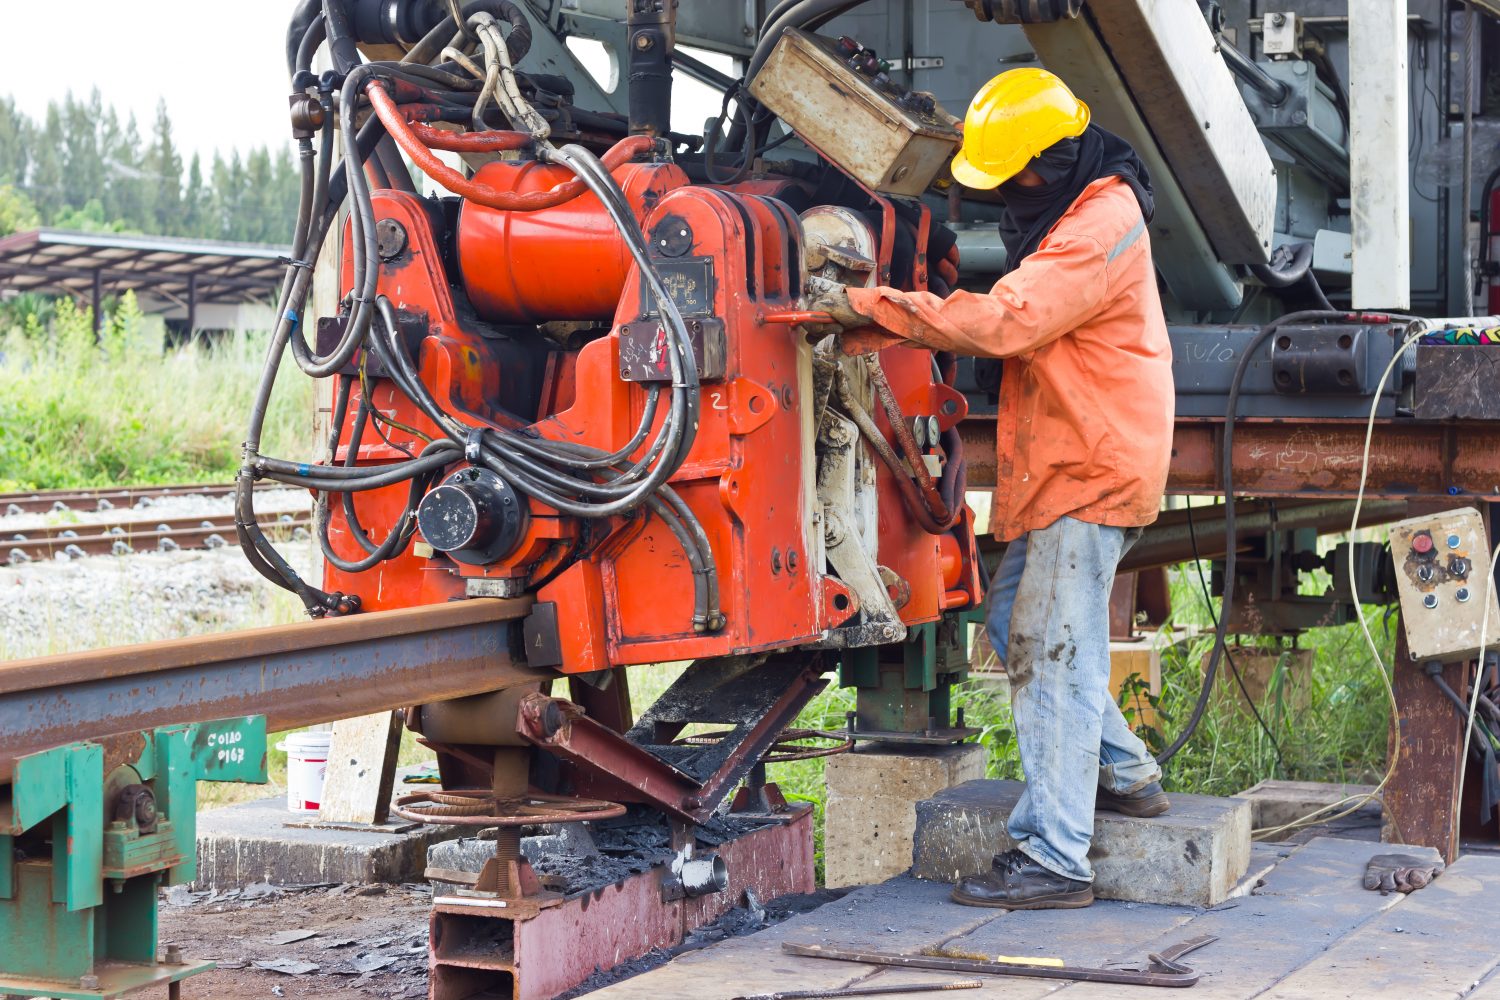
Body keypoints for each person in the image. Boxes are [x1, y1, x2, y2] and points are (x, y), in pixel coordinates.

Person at [810, 68, 1175, 910]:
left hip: (1089, 462)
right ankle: (1128, 774)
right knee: (1020, 626)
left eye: (1012, 178)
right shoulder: (1080, 207)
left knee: (1051, 654)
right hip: (1074, 455)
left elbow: (1011, 319)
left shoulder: (1098, 224)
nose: (1007, 194)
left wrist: (868, 305)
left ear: (1047, 162)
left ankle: (1054, 859)